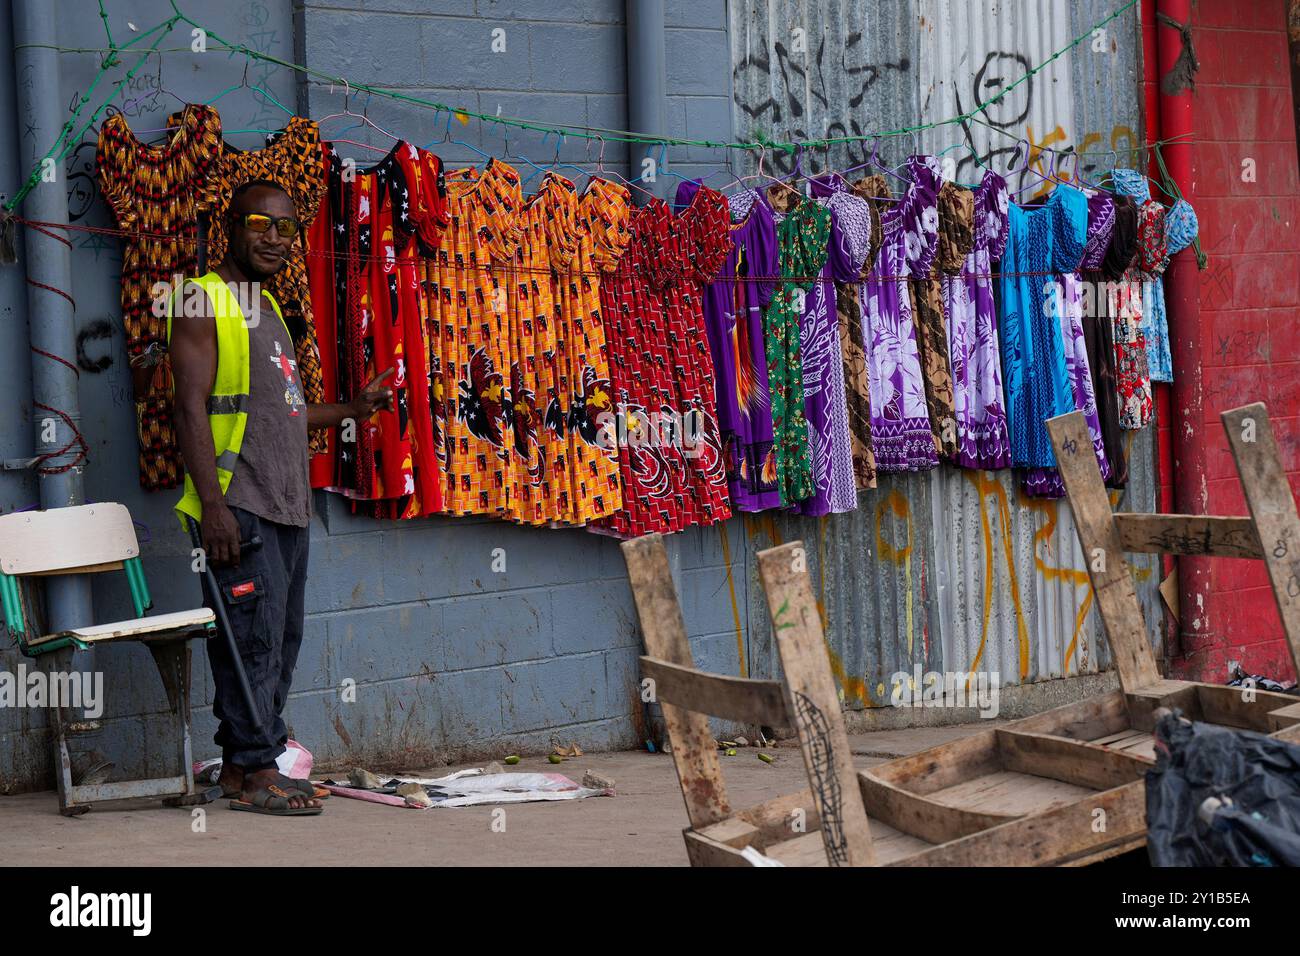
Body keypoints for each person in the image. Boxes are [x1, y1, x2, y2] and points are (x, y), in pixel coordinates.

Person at [169, 178, 393, 816]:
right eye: (259, 224)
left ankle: (242, 768)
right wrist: (213, 505)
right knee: (250, 641)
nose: (274, 239)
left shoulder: (269, 315)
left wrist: (352, 408)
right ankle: (263, 765)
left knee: (279, 638)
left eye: (286, 229)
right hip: (239, 504)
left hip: (287, 505)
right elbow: (186, 408)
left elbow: (286, 413)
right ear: (231, 227)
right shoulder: (201, 301)